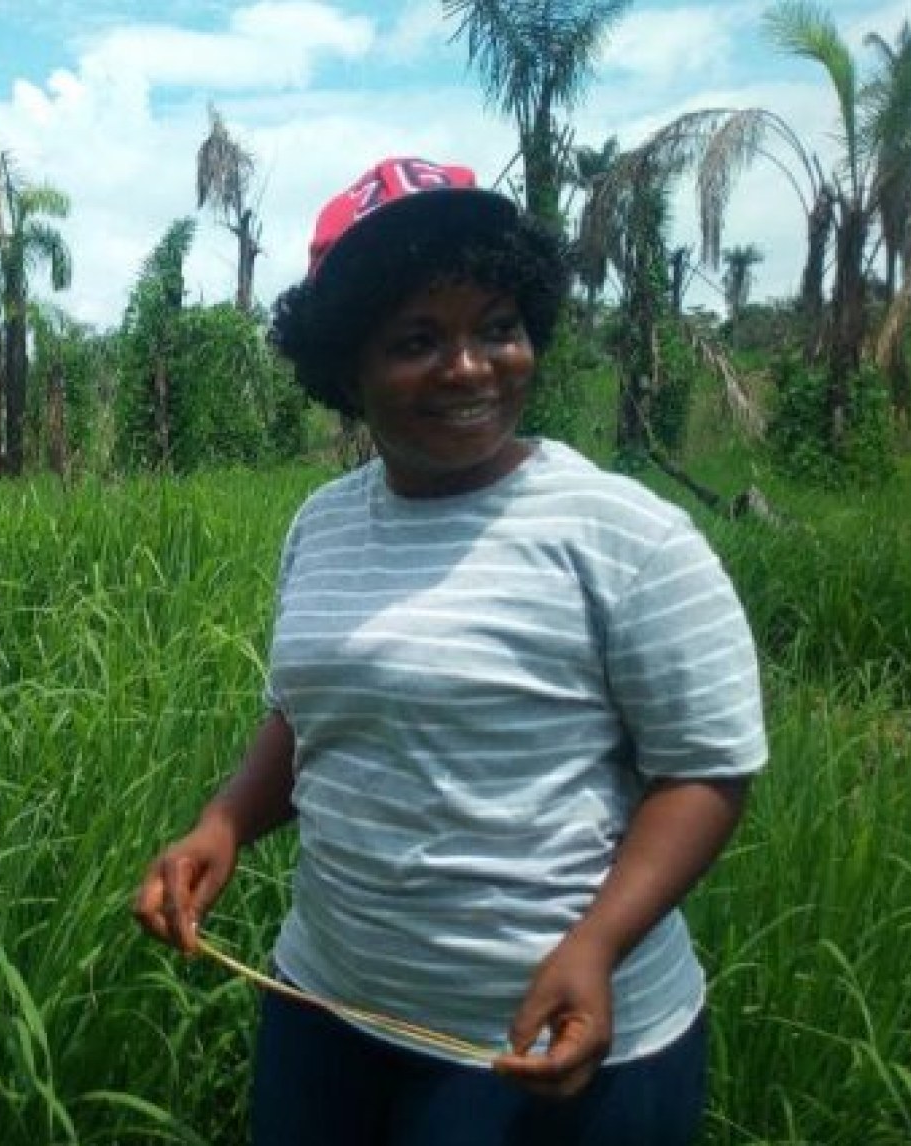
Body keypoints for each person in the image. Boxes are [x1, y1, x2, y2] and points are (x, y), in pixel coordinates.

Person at [132, 157, 767, 1146]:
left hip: (537, 1038)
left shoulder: (621, 535)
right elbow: (311, 713)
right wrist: (221, 827)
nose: (469, 367)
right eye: (418, 339)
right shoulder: (325, 524)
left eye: (497, 328)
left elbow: (705, 769)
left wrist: (596, 947)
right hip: (323, 1006)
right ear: (346, 366)